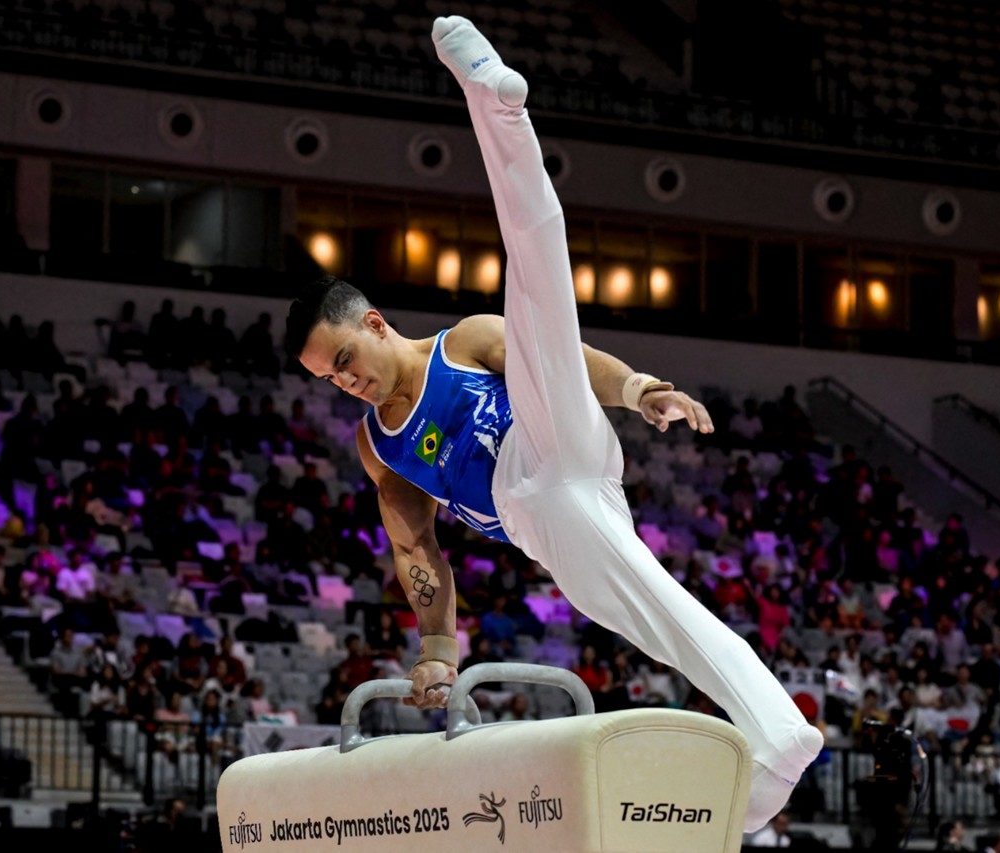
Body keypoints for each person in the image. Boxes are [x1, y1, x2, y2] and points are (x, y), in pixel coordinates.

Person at [285, 17, 821, 832]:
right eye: (331, 378)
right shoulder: (376, 448)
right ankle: (778, 741)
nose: (347, 382)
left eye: (345, 358)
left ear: (376, 323)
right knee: (662, 612)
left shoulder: (459, 343)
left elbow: (559, 352)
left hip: (551, 437)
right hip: (546, 519)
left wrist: (640, 389)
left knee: (537, 276)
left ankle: (497, 104)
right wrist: (437, 647)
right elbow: (414, 550)